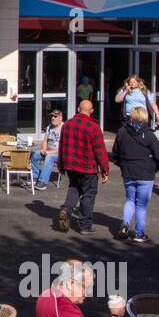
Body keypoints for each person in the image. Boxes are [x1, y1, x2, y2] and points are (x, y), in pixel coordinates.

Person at [110, 105, 159, 244]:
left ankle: (125, 223)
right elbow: (158, 154)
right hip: (145, 172)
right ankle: (139, 233)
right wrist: (157, 167)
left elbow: (115, 152)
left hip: (128, 170)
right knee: (141, 205)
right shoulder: (149, 134)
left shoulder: (122, 132)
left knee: (130, 199)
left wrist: (121, 163)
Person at [55, 100, 109, 235]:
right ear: (91, 111)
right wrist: (104, 169)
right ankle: (85, 225)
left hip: (71, 166)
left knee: (74, 188)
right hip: (88, 167)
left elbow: (61, 146)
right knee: (88, 195)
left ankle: (66, 210)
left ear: (78, 109)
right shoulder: (93, 127)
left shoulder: (67, 125)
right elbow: (100, 150)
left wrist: (60, 165)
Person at [31, 110, 63, 187]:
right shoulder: (49, 127)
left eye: (55, 116)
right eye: (51, 116)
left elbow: (64, 147)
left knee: (49, 158)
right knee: (34, 154)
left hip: (60, 154)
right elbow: (45, 140)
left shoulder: (64, 128)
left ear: (60, 117)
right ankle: (36, 176)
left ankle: (43, 182)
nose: (52, 118)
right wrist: (44, 150)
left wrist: (50, 152)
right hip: (49, 152)